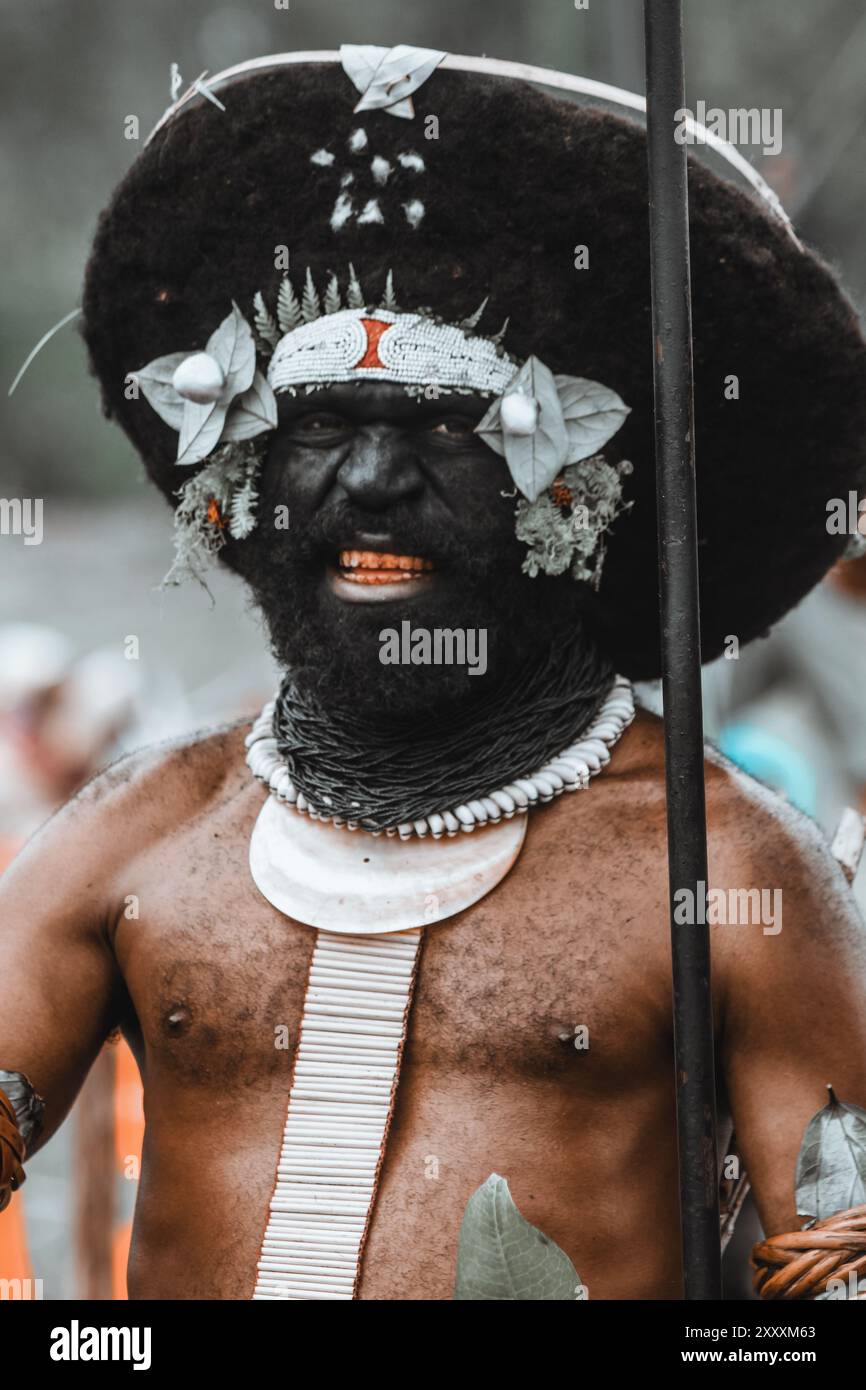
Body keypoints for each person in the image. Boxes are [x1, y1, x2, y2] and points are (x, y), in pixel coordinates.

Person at [2, 50, 866, 1301]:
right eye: (316, 427)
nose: (367, 483)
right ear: (242, 484)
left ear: (572, 492)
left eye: (442, 428)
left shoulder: (725, 872)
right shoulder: (138, 834)